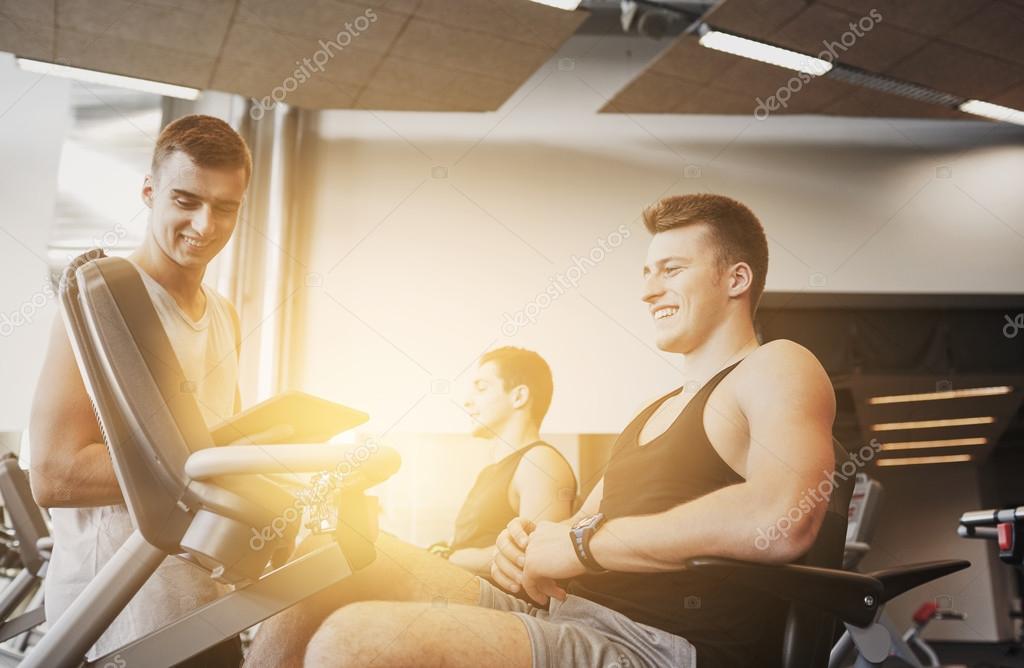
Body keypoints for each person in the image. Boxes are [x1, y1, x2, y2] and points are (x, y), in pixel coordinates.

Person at [247, 193, 839, 668]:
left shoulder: (778, 365)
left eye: (672, 269)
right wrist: (530, 544)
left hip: (656, 646)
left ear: (736, 279)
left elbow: (783, 518)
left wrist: (581, 544)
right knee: (328, 562)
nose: (648, 288)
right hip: (572, 612)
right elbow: (578, 532)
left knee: (353, 641)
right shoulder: (652, 411)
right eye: (646, 271)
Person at [29, 114, 251, 666]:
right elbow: (54, 475)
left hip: (203, 606)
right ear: (149, 192)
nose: (205, 224)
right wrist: (204, 464)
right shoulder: (103, 301)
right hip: (117, 618)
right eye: (186, 200)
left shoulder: (225, 316)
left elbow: (221, 455)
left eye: (225, 207)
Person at [430, 347, 576, 580]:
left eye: (481, 388)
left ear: (519, 396)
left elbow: (537, 555)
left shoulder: (540, 462)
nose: (467, 402)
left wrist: (447, 558)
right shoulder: (490, 471)